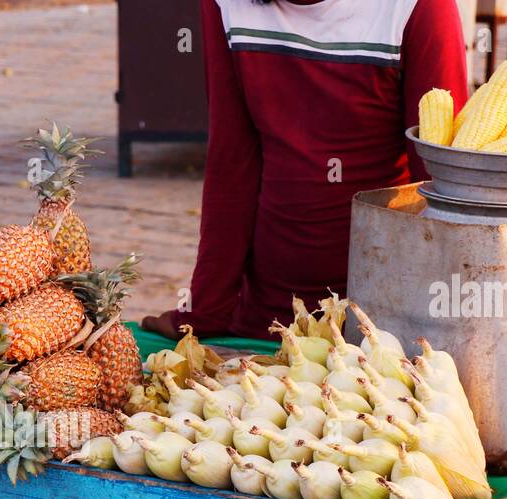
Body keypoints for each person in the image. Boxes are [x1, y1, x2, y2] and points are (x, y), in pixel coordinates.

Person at [142, 0, 469, 340]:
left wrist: (431, 326)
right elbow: (232, 160)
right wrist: (205, 311)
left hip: (379, 325)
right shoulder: (226, 5)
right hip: (268, 320)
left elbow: (443, 188)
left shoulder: (418, 6)